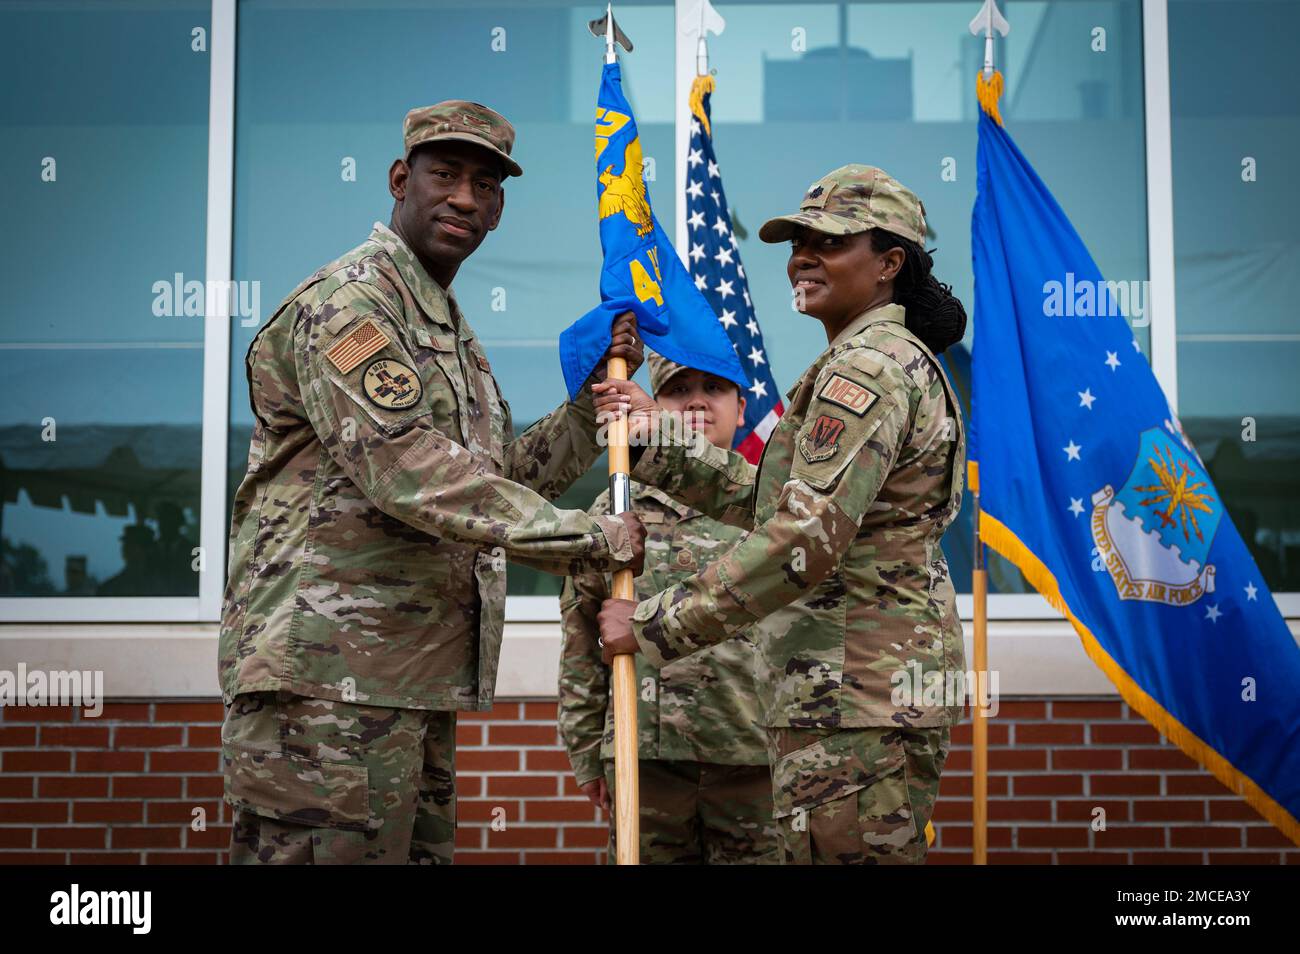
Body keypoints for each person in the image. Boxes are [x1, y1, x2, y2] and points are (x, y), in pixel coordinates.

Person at [219, 100, 646, 865]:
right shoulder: (350, 303)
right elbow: (408, 470)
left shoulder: (443, 325)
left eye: (485, 185)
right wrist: (589, 538)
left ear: (500, 209)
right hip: (327, 688)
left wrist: (588, 411)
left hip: (406, 683)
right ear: (398, 179)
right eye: (444, 174)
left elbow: (492, 478)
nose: (464, 198)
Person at [592, 165, 968, 865]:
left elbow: (801, 540)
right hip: (858, 692)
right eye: (798, 240)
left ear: (889, 264)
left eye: (828, 241)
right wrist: (658, 440)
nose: (802, 256)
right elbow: (774, 504)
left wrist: (653, 623)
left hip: (853, 696)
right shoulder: (876, 359)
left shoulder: (865, 368)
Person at [559, 352, 779, 864]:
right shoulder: (616, 509)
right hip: (646, 758)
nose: (698, 400)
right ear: (653, 407)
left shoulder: (772, 509)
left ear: (741, 407)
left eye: (714, 389)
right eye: (679, 390)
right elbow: (580, 636)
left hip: (752, 754)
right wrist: (587, 749)